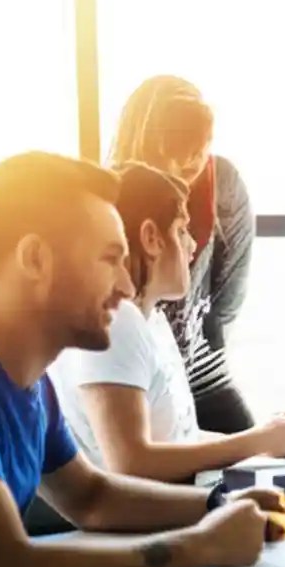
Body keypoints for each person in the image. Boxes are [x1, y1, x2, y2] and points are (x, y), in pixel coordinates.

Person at [0, 153, 285, 567]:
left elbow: (91, 497)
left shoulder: (28, 382)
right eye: (109, 259)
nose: (126, 284)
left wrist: (217, 503)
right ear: (35, 259)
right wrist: (199, 548)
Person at [47, 163, 285, 484]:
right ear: (152, 237)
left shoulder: (151, 318)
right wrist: (257, 442)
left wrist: (265, 438)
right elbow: (130, 463)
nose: (192, 245)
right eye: (182, 230)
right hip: (149, 518)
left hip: (182, 497)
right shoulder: (117, 320)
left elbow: (182, 441)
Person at [109, 75, 257, 434]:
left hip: (198, 366)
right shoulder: (115, 196)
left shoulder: (223, 185)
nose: (180, 178)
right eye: (167, 164)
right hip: (140, 372)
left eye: (192, 165)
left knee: (259, 456)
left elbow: (225, 303)